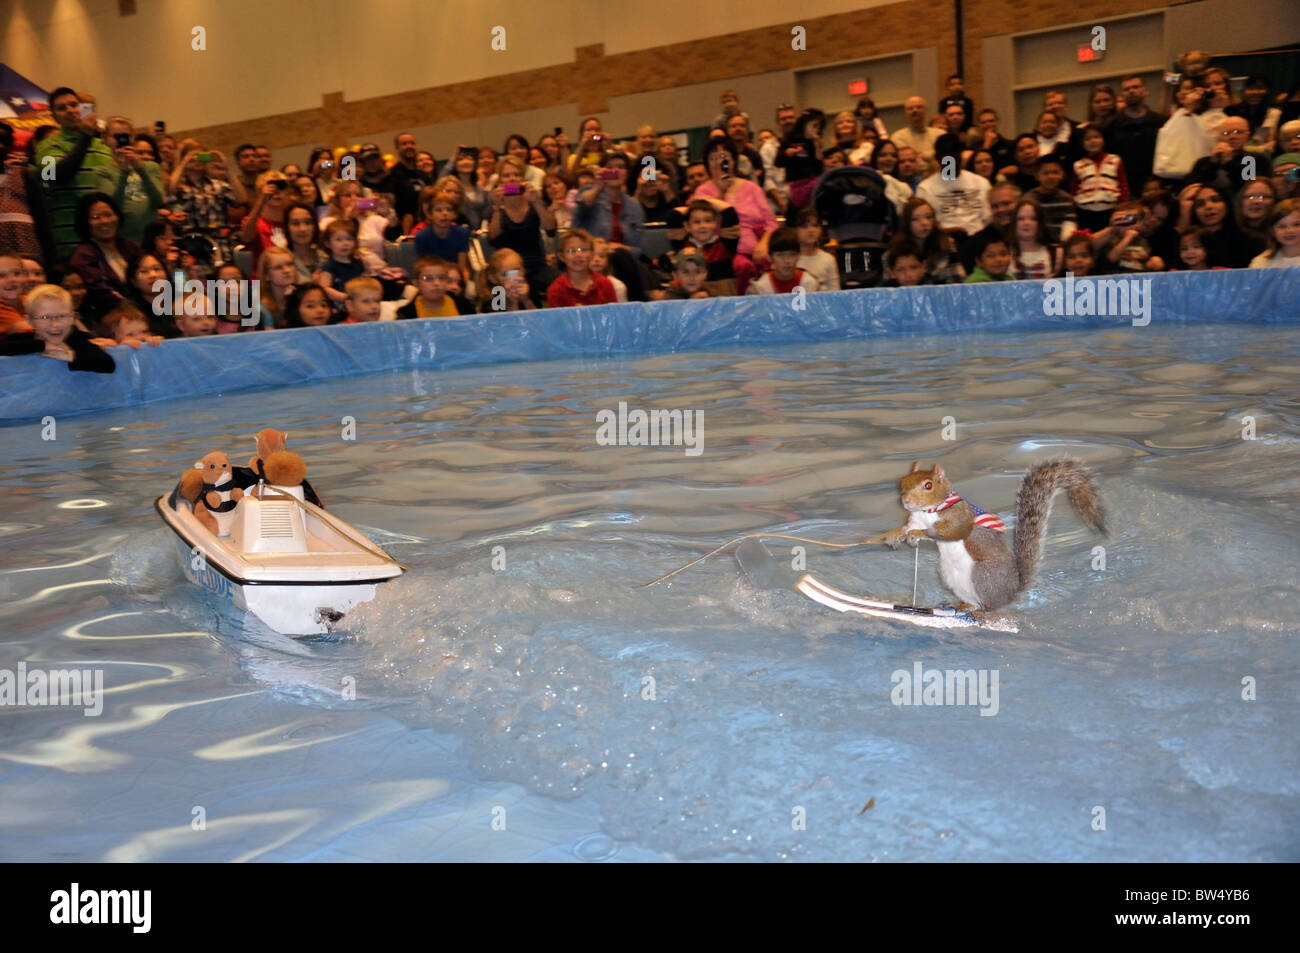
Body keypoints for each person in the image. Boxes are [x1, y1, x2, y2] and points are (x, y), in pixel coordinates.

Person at [34, 87, 117, 261]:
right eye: (62, 108)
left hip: (106, 242)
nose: (70, 110)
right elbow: (55, 176)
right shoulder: (46, 147)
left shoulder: (103, 147)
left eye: (73, 105)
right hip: (70, 244)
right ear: (54, 117)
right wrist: (84, 138)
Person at [693, 138, 777, 287]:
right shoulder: (702, 192)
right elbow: (708, 223)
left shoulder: (752, 188)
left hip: (756, 250)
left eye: (724, 157)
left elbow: (771, 222)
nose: (719, 162)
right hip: (722, 252)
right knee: (742, 267)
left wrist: (764, 243)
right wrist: (721, 191)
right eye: (713, 158)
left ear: (733, 161)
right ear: (707, 164)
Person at [487, 155, 558, 305]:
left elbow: (551, 230)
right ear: (500, 181)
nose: (512, 179)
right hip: (506, 269)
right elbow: (493, 239)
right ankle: (500, 322)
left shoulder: (534, 203)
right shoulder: (496, 207)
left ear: (523, 179)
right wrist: (497, 207)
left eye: (516, 175)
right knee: (497, 295)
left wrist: (536, 201)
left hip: (536, 265)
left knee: (559, 284)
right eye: (506, 176)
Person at [2, 281, 116, 371]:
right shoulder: (23, 339)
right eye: (45, 317)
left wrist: (71, 356)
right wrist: (43, 345)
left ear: (73, 318)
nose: (55, 324)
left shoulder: (77, 338)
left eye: (62, 316)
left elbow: (107, 364)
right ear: (29, 321)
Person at [67, 193, 142, 324]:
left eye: (108, 215)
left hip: (145, 311)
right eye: (96, 217)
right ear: (86, 223)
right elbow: (100, 291)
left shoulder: (131, 247)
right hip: (108, 319)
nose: (104, 221)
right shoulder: (83, 255)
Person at [170, 147, 246, 265]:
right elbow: (171, 189)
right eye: (192, 157)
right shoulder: (181, 188)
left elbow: (241, 199)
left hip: (221, 244)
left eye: (201, 156)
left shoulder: (218, 185)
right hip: (193, 245)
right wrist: (183, 163)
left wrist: (228, 168)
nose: (197, 160)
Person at [95, 117, 165, 244]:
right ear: (105, 139)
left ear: (132, 139)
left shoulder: (151, 167)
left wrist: (141, 170)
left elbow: (158, 201)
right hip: (123, 241)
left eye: (125, 136)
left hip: (152, 240)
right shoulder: (103, 172)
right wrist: (124, 173)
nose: (120, 141)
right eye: (115, 136)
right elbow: (110, 207)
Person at [0, 122, 55, 266]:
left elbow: (42, 217)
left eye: (4, 141)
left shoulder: (25, 174)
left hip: (27, 251)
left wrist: (52, 259)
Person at [915, 134, 990, 237]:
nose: (951, 163)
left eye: (954, 157)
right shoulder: (926, 188)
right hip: (943, 241)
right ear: (938, 158)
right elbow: (925, 225)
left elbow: (988, 219)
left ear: (960, 156)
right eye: (947, 158)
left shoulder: (981, 183)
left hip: (979, 238)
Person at [573, 152, 644, 258]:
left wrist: (623, 248)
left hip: (624, 259)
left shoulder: (634, 205)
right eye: (609, 167)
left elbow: (639, 248)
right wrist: (598, 187)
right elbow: (584, 205)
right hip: (592, 258)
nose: (616, 171)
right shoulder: (590, 193)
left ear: (627, 174)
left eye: (621, 167)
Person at [1187, 116, 1271, 199]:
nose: (1232, 137)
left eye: (1238, 132)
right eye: (1226, 133)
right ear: (1219, 138)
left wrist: (1229, 164)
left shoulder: (1255, 159)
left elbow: (1250, 188)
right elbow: (1191, 190)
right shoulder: (1204, 162)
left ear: (1248, 136)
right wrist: (1212, 164)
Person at [1109, 75, 1164, 192]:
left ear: (1145, 91)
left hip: (1157, 184)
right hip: (1125, 186)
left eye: (1135, 87)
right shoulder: (1111, 126)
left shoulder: (1161, 122)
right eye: (1126, 89)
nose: (1131, 91)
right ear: (1122, 95)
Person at [893, 198, 965, 283]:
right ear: (906, 223)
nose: (924, 223)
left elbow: (958, 279)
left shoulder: (947, 243)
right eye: (915, 219)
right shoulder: (897, 249)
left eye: (928, 217)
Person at [1071, 126, 1129, 233]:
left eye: (1096, 137)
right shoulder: (1078, 165)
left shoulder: (1115, 160)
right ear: (1082, 143)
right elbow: (1074, 190)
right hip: (1085, 212)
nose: (1093, 141)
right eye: (1087, 139)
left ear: (1103, 139)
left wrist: (1122, 206)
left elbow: (1123, 185)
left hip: (1110, 210)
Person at [546, 228, 617, 307]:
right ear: (561, 256)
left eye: (583, 250)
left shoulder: (605, 284)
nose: (578, 254)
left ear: (591, 254)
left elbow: (613, 315)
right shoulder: (556, 290)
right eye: (571, 251)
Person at [414, 188, 471, 284]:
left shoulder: (462, 233)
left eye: (449, 210)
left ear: (454, 214)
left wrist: (464, 284)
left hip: (454, 277)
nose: (444, 213)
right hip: (432, 277)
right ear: (430, 214)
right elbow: (422, 268)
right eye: (438, 210)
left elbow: (463, 267)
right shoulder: (422, 236)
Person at [239, 170, 292, 270]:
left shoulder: (292, 221)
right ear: (260, 192)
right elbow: (246, 237)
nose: (276, 192)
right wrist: (261, 200)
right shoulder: (253, 221)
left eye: (281, 187)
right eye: (271, 187)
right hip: (260, 279)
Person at [745, 227, 819, 294]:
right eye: (780, 255)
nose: (787, 261)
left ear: (799, 256)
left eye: (792, 254)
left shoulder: (810, 283)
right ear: (770, 257)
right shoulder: (759, 287)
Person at [776, 110, 824, 210]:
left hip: (810, 183)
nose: (816, 130)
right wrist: (787, 153)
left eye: (819, 128)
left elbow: (819, 169)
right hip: (795, 184)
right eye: (814, 126)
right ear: (805, 123)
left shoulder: (814, 143)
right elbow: (778, 162)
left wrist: (817, 148)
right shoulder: (790, 138)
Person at [397, 255, 472, 318]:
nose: (436, 283)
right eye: (428, 279)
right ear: (416, 283)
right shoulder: (406, 314)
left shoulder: (464, 305)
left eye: (442, 278)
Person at [1026, 154, 1076, 244]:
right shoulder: (1029, 199)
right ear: (1037, 176)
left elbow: (1069, 225)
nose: (1051, 177)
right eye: (1046, 173)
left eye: (1055, 172)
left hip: (1061, 245)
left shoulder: (1066, 199)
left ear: (1062, 175)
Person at [1009, 197, 1061, 279]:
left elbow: (1069, 283)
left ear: (1040, 223)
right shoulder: (1004, 252)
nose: (1026, 223)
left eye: (1033, 218)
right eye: (1021, 219)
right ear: (1014, 223)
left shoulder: (1056, 254)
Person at [475, 248, 536, 312]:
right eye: (506, 274)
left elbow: (538, 319)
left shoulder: (529, 290)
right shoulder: (492, 301)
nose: (513, 278)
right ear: (493, 279)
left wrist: (526, 301)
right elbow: (506, 321)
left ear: (523, 271)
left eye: (517, 271)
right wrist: (513, 303)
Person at [795, 208, 838, 291]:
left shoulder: (828, 260)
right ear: (796, 230)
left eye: (815, 226)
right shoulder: (788, 258)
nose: (811, 230)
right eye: (804, 226)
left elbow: (835, 294)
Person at [1249, 198, 1300, 268]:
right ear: (1272, 231)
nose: (1289, 231)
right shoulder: (1262, 262)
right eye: (1282, 226)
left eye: (1297, 224)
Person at [891, 97, 942, 167]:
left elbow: (947, 158)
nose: (915, 110)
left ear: (926, 110)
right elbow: (909, 162)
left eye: (919, 107)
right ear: (905, 113)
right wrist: (933, 155)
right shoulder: (898, 137)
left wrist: (923, 155)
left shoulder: (940, 134)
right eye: (910, 108)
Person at [90, 302, 163, 349]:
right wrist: (121, 349)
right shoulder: (112, 352)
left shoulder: (151, 345)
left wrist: (160, 344)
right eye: (130, 335)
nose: (141, 337)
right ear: (114, 337)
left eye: (144, 331)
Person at [869, 140, 914, 214]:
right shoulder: (867, 183)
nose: (889, 159)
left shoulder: (904, 186)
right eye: (883, 155)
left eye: (893, 156)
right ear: (874, 158)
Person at [284, 202, 324, 282]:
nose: (302, 229)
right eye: (295, 224)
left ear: (315, 227)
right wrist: (255, 295)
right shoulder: (277, 258)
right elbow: (255, 283)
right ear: (286, 228)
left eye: (308, 223)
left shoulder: (325, 257)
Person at [0, 249, 30, 335]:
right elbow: (28, 330)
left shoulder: (28, 300)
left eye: (16, 273)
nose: (11, 280)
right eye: (1, 276)